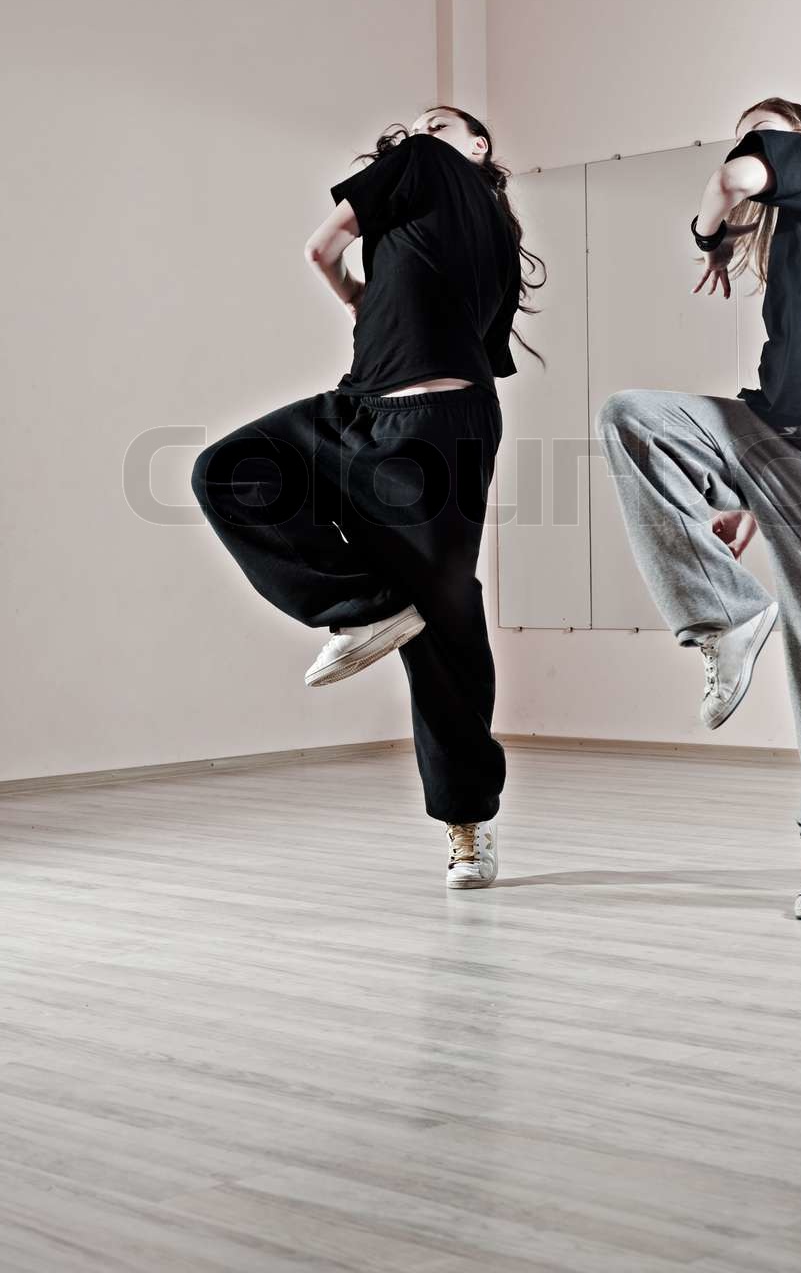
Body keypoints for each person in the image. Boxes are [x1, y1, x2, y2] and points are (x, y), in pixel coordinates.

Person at [191, 106, 545, 890]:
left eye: (438, 121)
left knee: (440, 617)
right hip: (387, 411)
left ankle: (465, 821)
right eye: (416, 124)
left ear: (477, 145)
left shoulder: (422, 161)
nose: (419, 129)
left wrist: (352, 293)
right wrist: (374, 299)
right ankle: (374, 608)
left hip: (415, 426)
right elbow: (479, 352)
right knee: (232, 471)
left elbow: (319, 248)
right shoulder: (495, 240)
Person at [596, 97, 801, 920]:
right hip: (788, 439)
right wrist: (748, 492)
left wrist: (709, 233)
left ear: (800, 140)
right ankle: (727, 616)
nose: (755, 142)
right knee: (635, 416)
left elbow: (732, 179)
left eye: (766, 131)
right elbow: (796, 381)